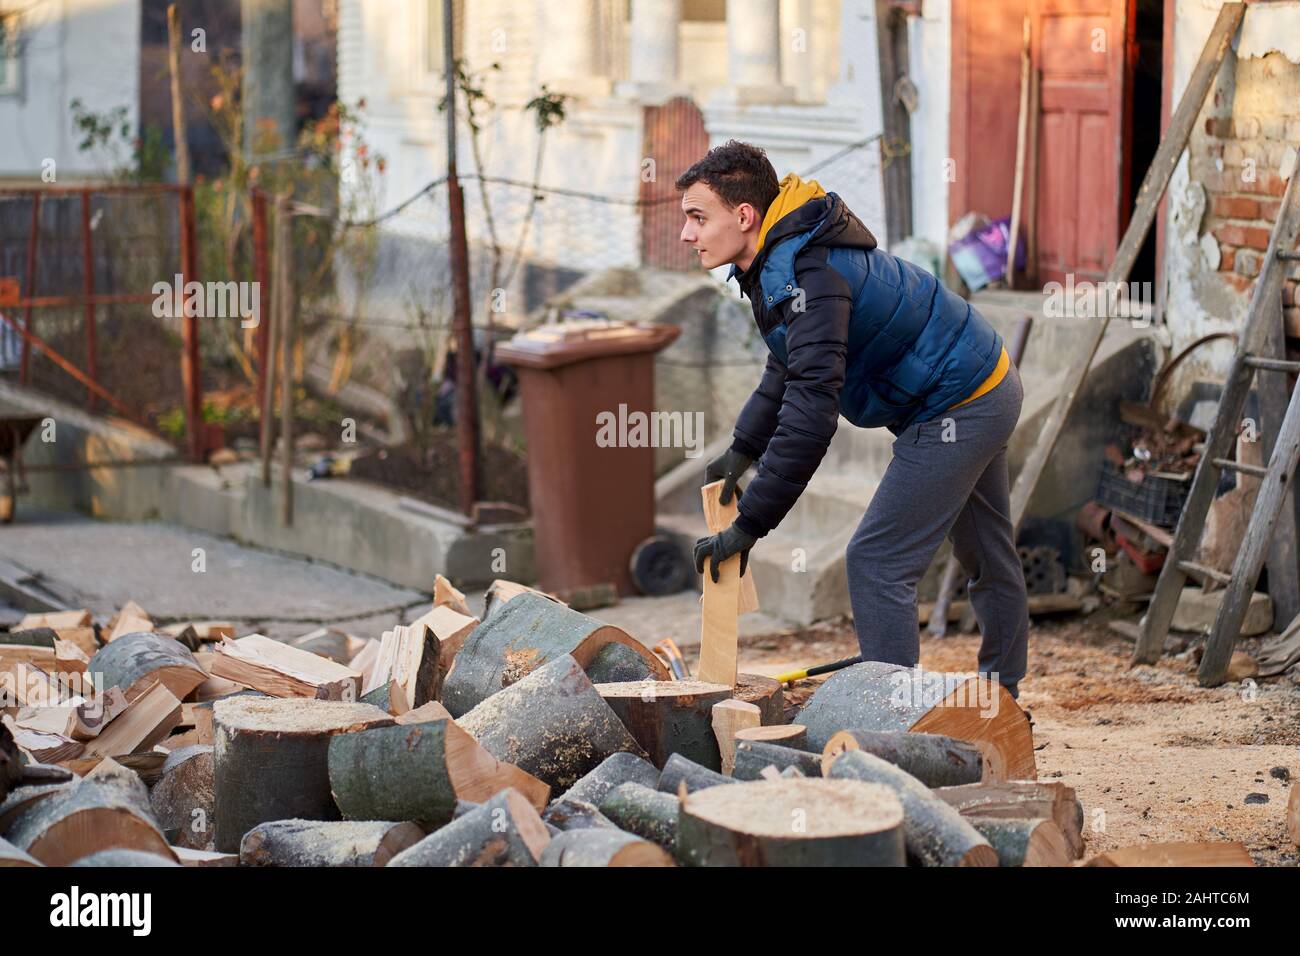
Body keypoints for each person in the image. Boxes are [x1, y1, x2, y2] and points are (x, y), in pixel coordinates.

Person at [680, 140, 1028, 699]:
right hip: (978, 378)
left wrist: (750, 527)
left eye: (698, 218)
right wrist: (744, 446)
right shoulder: (778, 258)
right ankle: (1002, 699)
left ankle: (891, 723)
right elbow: (788, 362)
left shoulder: (805, 273)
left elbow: (812, 412)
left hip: (960, 401)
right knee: (986, 553)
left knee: (876, 561)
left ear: (744, 216)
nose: (687, 234)